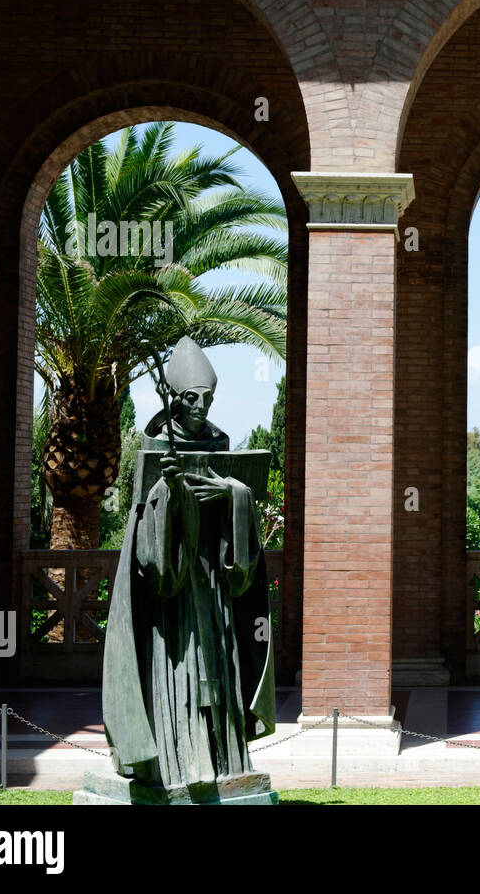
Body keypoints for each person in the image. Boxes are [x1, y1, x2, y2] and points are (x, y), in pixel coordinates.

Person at [101, 336, 275, 796]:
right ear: (175, 399)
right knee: (179, 670)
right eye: (191, 398)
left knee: (218, 668)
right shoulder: (156, 446)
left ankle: (223, 758)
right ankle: (176, 761)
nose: (200, 407)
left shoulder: (219, 442)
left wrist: (235, 495)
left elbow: (244, 544)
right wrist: (170, 495)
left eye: (208, 399)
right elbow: (148, 551)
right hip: (172, 603)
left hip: (213, 585)